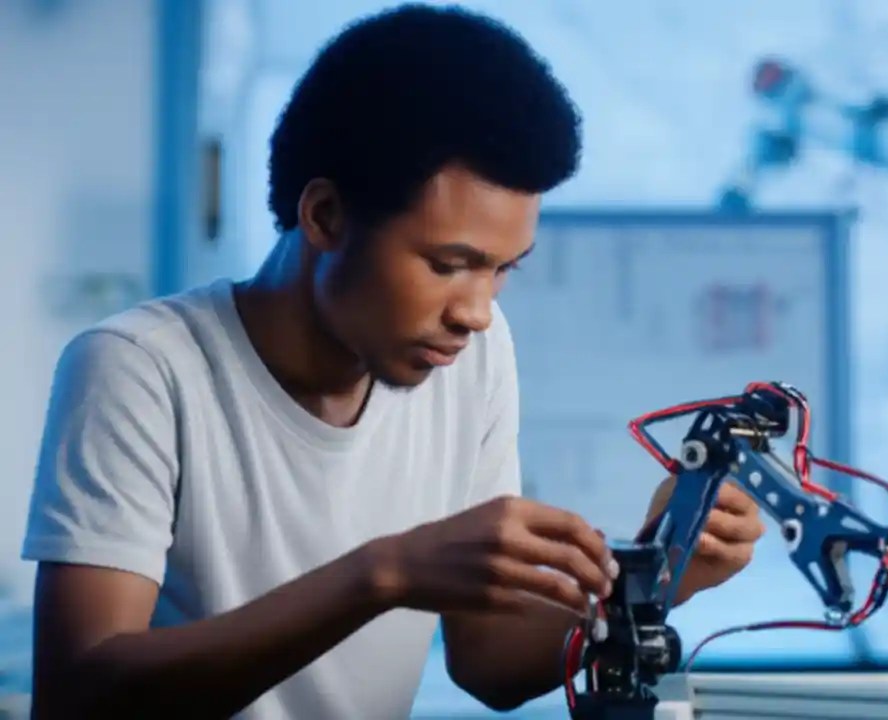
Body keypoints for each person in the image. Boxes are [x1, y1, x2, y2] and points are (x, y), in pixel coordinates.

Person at [20, 5, 765, 719]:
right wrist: (385, 575)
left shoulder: (470, 357)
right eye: (449, 264)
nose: (475, 309)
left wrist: (664, 579)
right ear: (325, 216)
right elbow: (77, 698)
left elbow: (488, 664)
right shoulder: (140, 369)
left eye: (505, 269)